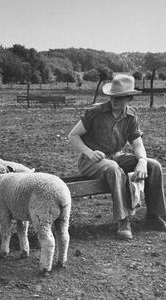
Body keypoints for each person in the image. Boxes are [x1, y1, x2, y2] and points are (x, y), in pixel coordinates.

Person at [68, 74, 166, 240]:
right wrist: (89, 153)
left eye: (120, 98)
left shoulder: (130, 115)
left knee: (154, 165)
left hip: (116, 156)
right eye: (113, 96)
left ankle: (154, 216)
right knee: (114, 169)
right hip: (91, 161)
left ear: (129, 98)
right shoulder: (95, 112)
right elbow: (73, 136)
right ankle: (123, 220)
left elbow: (137, 144)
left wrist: (142, 161)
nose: (115, 100)